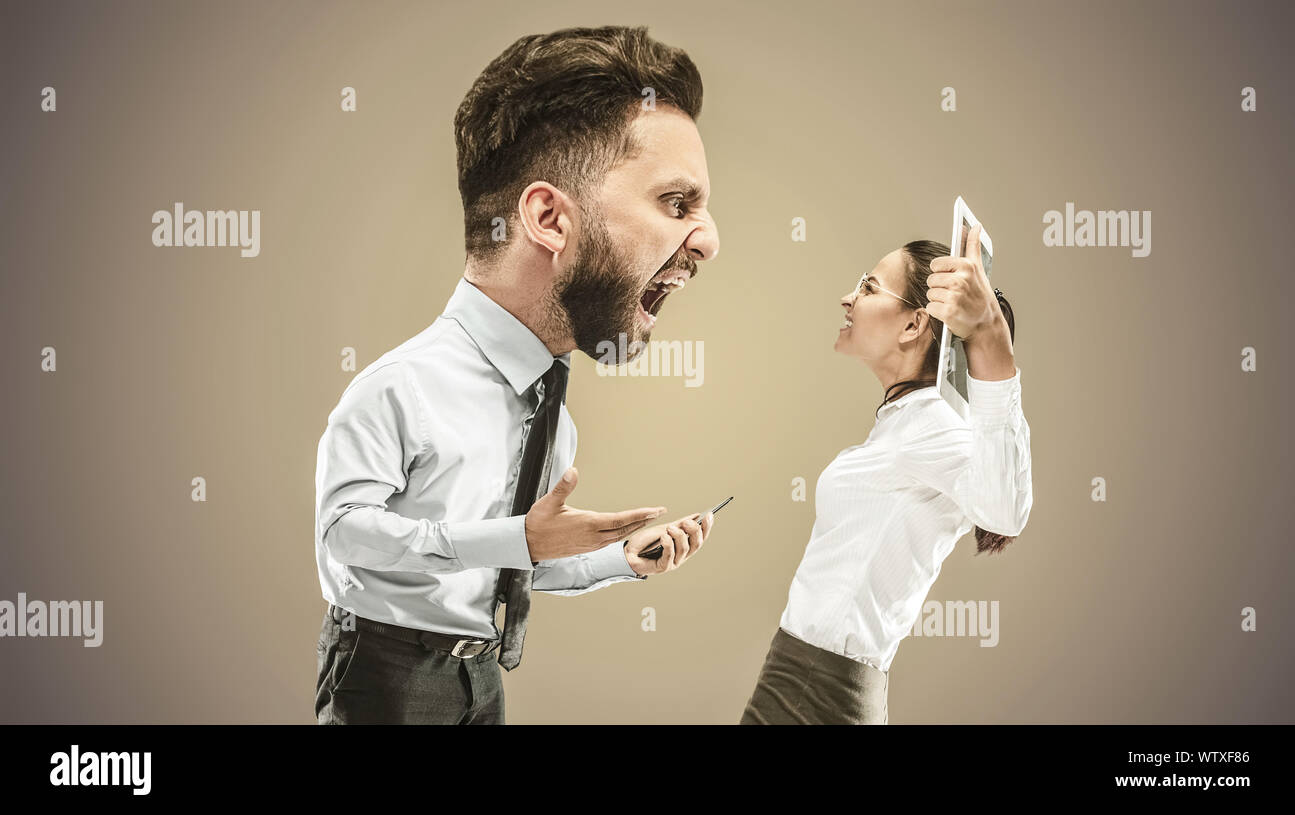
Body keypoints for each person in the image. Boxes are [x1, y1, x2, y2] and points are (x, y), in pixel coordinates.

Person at [314, 26, 721, 725]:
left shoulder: (550, 414)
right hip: (387, 672)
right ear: (547, 218)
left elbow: (516, 568)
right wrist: (517, 539)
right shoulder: (400, 388)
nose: (709, 240)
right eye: (677, 204)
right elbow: (345, 537)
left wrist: (621, 559)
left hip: (481, 673)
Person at [740, 224, 1032, 725]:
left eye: (869, 287)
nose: (847, 298)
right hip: (798, 676)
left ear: (914, 325)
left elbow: (1005, 510)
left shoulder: (931, 425)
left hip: (817, 691)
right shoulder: (906, 422)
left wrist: (989, 338)